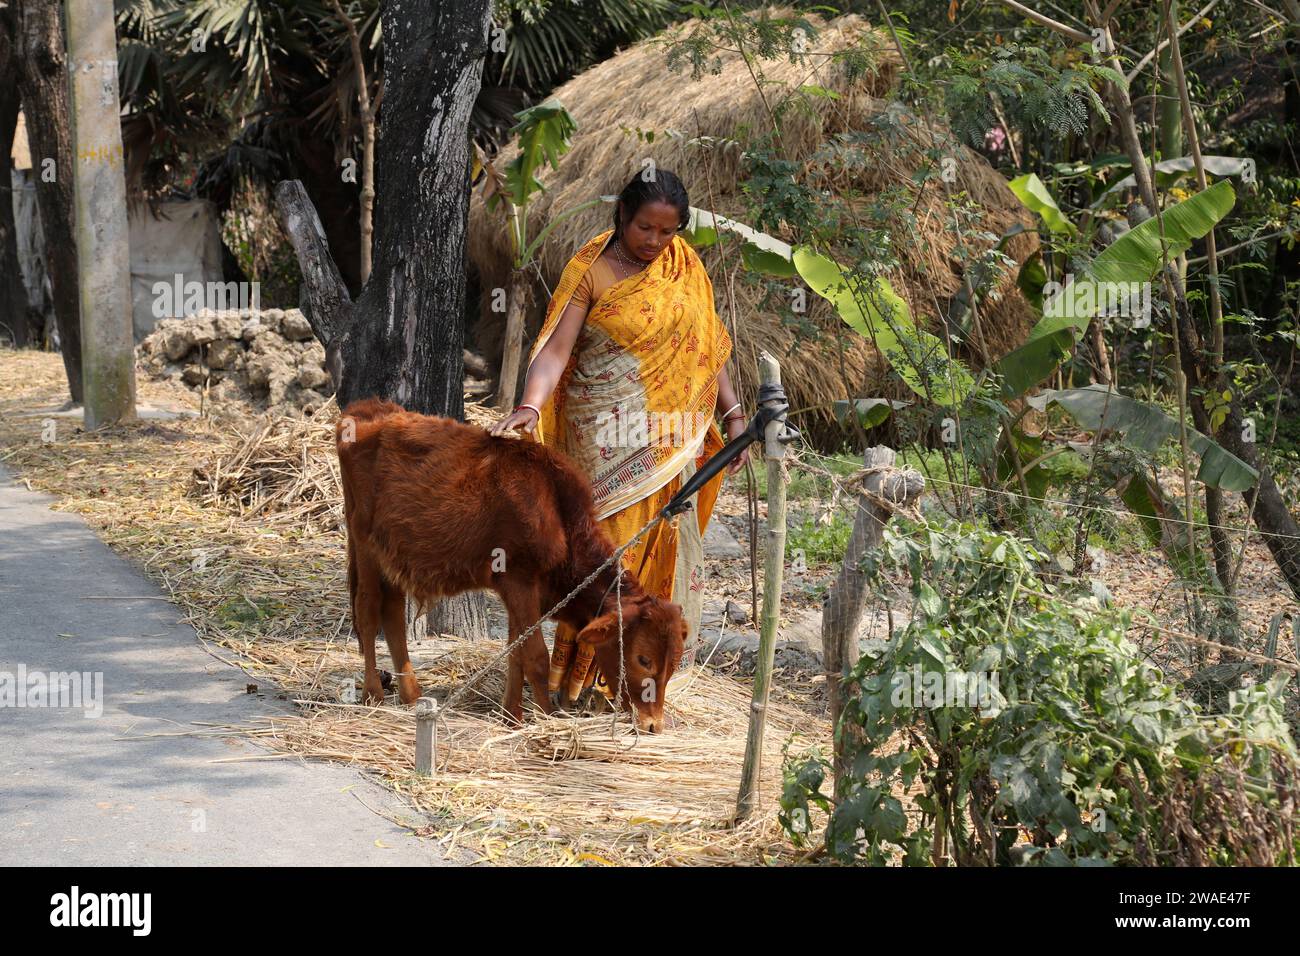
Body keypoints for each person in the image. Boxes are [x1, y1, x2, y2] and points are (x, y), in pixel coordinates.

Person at [491, 169, 747, 709]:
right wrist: (529, 406)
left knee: (661, 548)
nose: (654, 242)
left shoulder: (686, 268)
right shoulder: (591, 270)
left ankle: (639, 686)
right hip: (603, 435)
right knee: (599, 559)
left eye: (666, 232)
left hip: (671, 440)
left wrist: (736, 415)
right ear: (621, 217)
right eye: (643, 228)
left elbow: (708, 351)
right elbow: (558, 350)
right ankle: (571, 685)